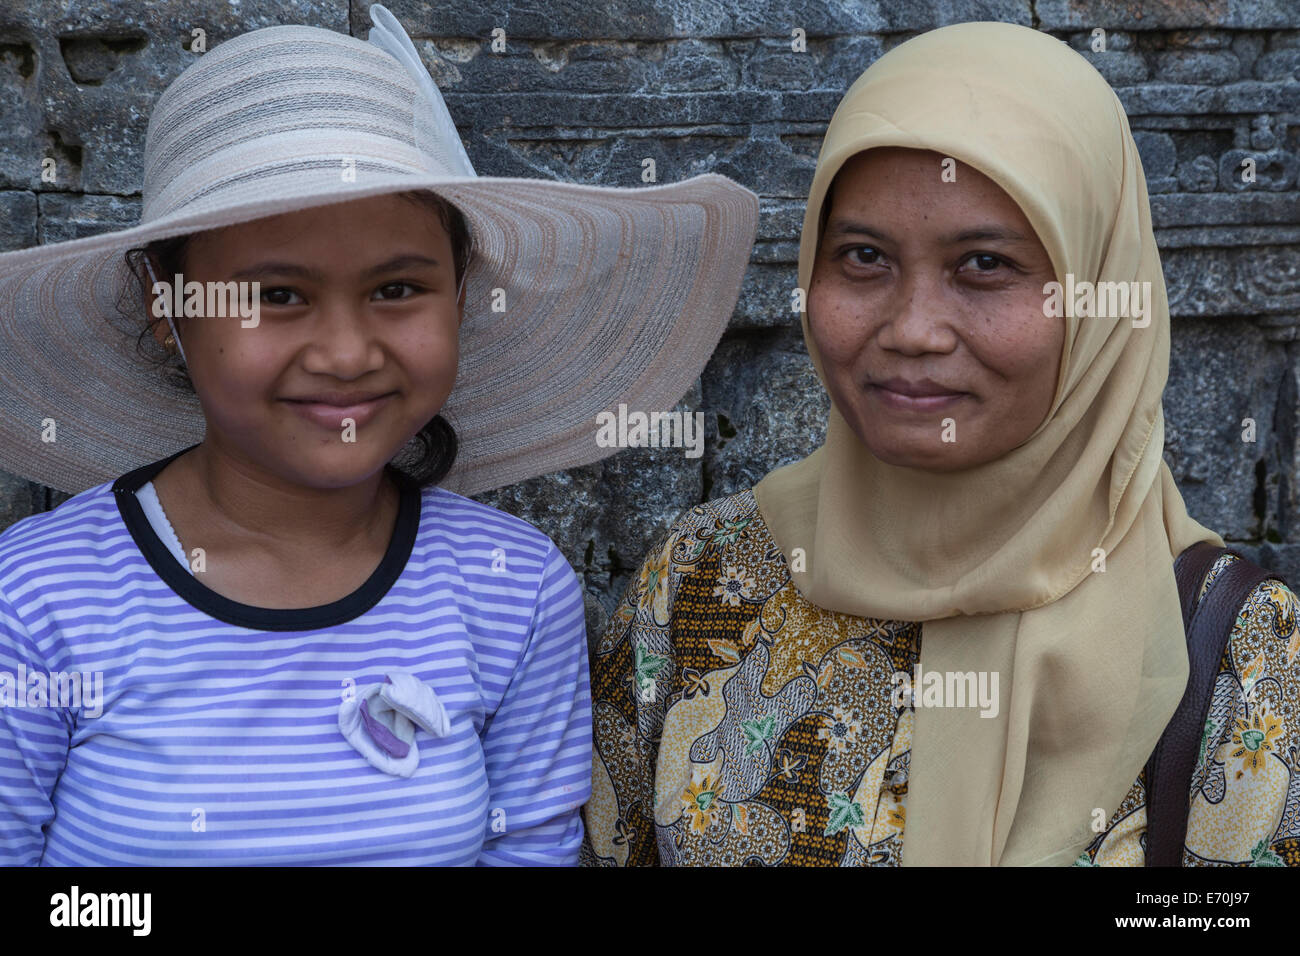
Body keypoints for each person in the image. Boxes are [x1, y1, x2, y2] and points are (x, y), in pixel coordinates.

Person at [0, 5, 757, 865]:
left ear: (463, 295)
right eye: (277, 296)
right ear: (165, 306)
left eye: (398, 290)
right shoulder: (39, 600)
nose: (347, 353)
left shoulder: (509, 592)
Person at [580, 21, 1300, 867]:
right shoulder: (698, 586)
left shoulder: (1242, 661)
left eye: (985, 265)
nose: (913, 331)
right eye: (863, 257)